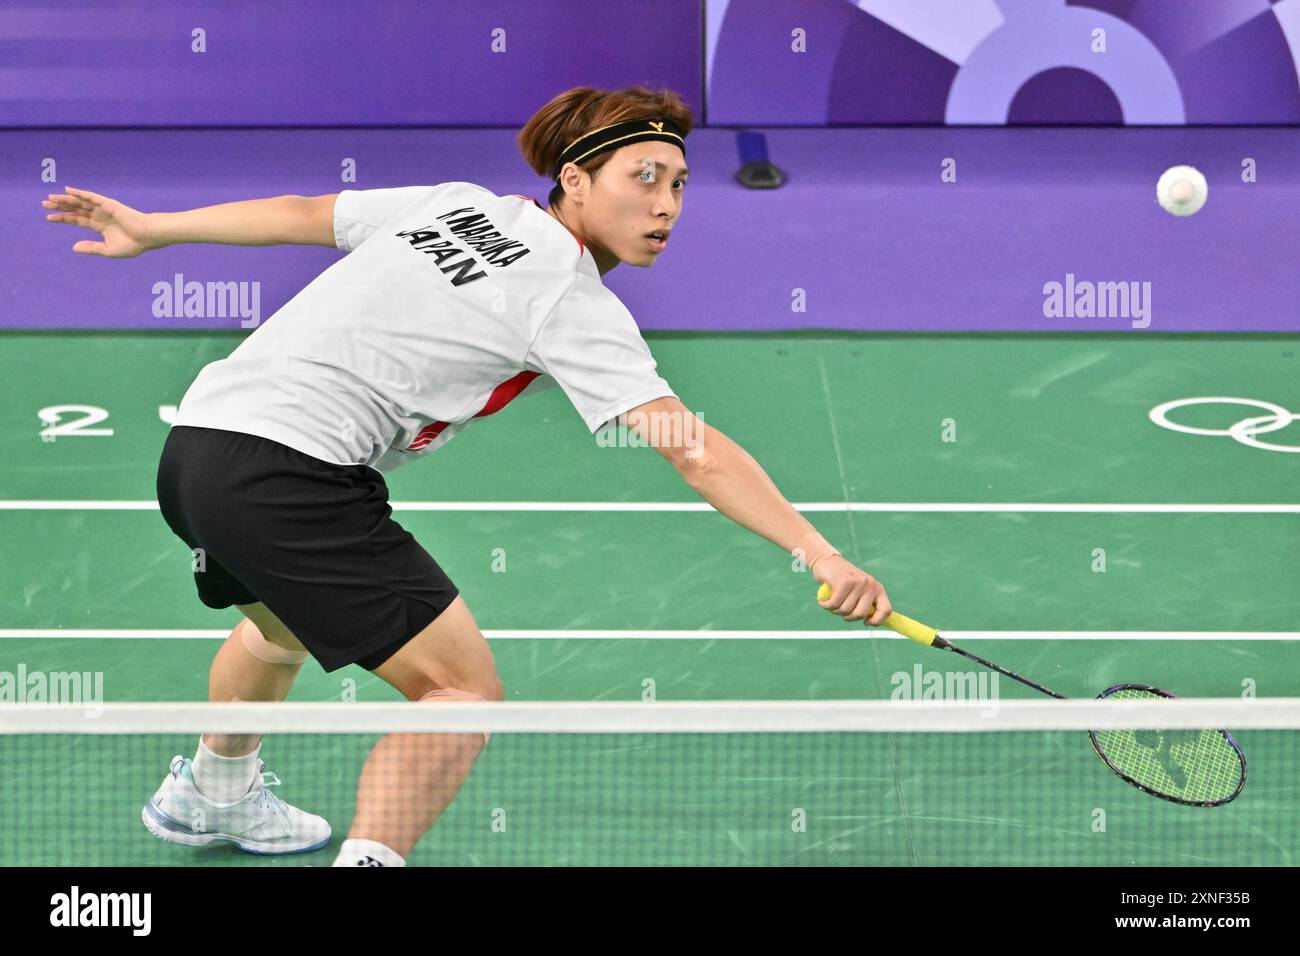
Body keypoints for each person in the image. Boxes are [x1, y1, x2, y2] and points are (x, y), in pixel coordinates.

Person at [41, 85, 892, 867]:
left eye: (678, 184)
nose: (666, 205)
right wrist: (819, 552)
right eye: (644, 178)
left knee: (280, 628)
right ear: (577, 181)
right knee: (460, 692)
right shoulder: (567, 297)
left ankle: (213, 796)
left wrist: (157, 229)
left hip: (198, 448)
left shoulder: (457, 205)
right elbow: (687, 444)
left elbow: (304, 212)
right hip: (286, 473)